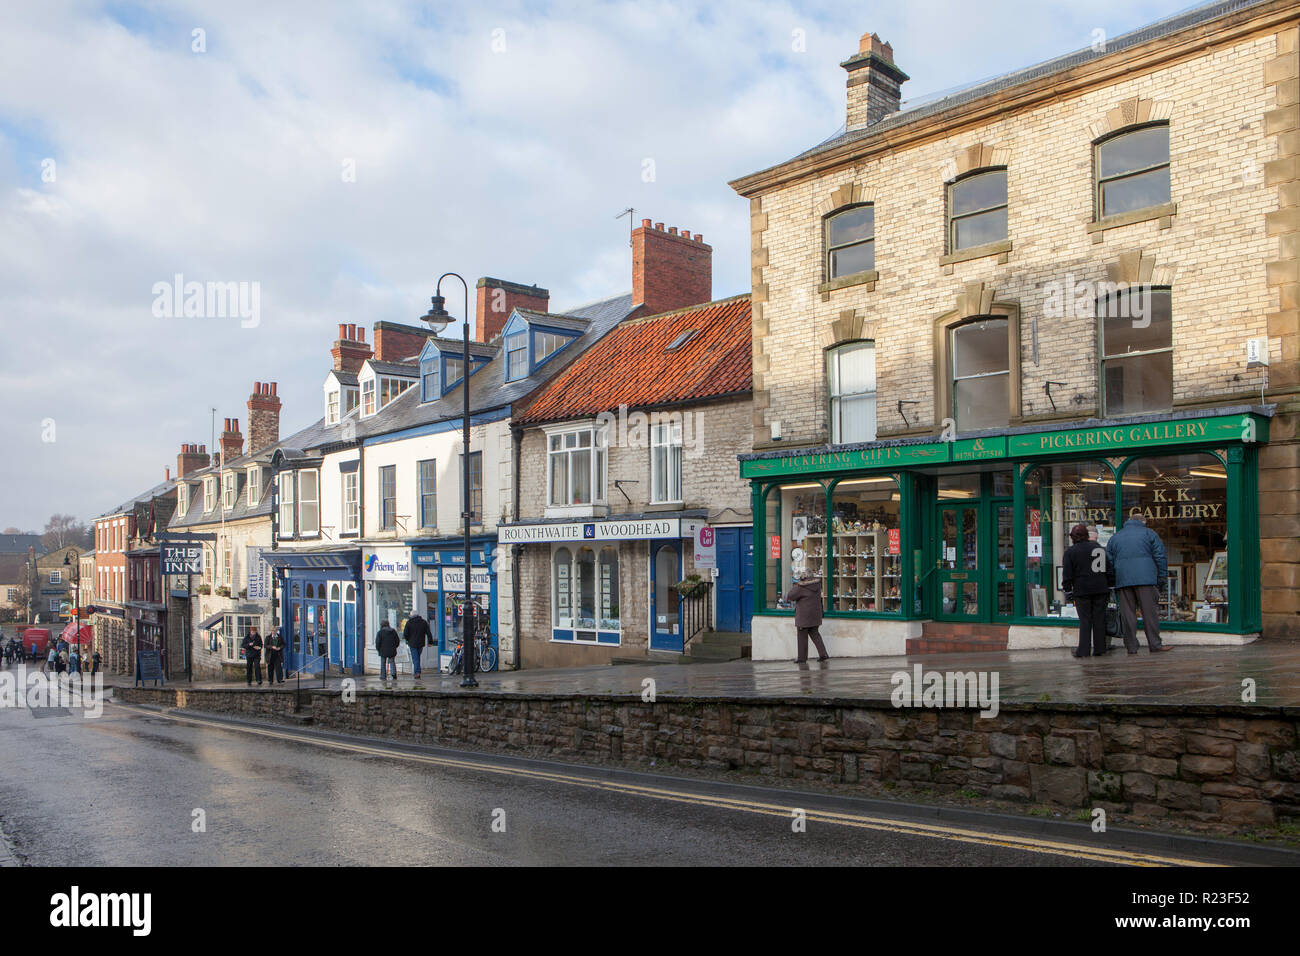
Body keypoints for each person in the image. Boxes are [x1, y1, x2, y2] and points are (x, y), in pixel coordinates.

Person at [1106, 514, 1171, 654]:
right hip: (1146, 579)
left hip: (1122, 580)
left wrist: (1113, 579)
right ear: (1143, 522)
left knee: (1127, 615)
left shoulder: (1115, 537)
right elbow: (1160, 556)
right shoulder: (1150, 534)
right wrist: (1162, 577)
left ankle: (1131, 647)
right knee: (1150, 614)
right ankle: (1155, 644)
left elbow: (1109, 561)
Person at [1062, 522, 1114, 658]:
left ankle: (1083, 650)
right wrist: (1110, 585)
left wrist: (1068, 590)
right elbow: (1109, 569)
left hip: (1082, 589)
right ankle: (1100, 648)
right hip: (1101, 588)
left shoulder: (1070, 552)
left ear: (1073, 537)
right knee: (1099, 619)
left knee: (1085, 621)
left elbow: (1067, 574)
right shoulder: (1099, 549)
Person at [783, 572, 829, 663]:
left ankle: (802, 658)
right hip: (815, 615)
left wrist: (797, 585)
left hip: (804, 616)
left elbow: (790, 596)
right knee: (815, 635)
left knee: (802, 636)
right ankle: (823, 654)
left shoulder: (801, 588)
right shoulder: (817, 586)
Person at [403, 611, 432, 679]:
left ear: (411, 616)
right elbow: (428, 633)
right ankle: (417, 671)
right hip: (420, 643)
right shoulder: (423, 622)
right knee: (417, 657)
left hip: (412, 643)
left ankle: (417, 672)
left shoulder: (409, 622)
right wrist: (430, 642)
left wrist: (407, 639)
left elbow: (405, 634)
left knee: (415, 658)